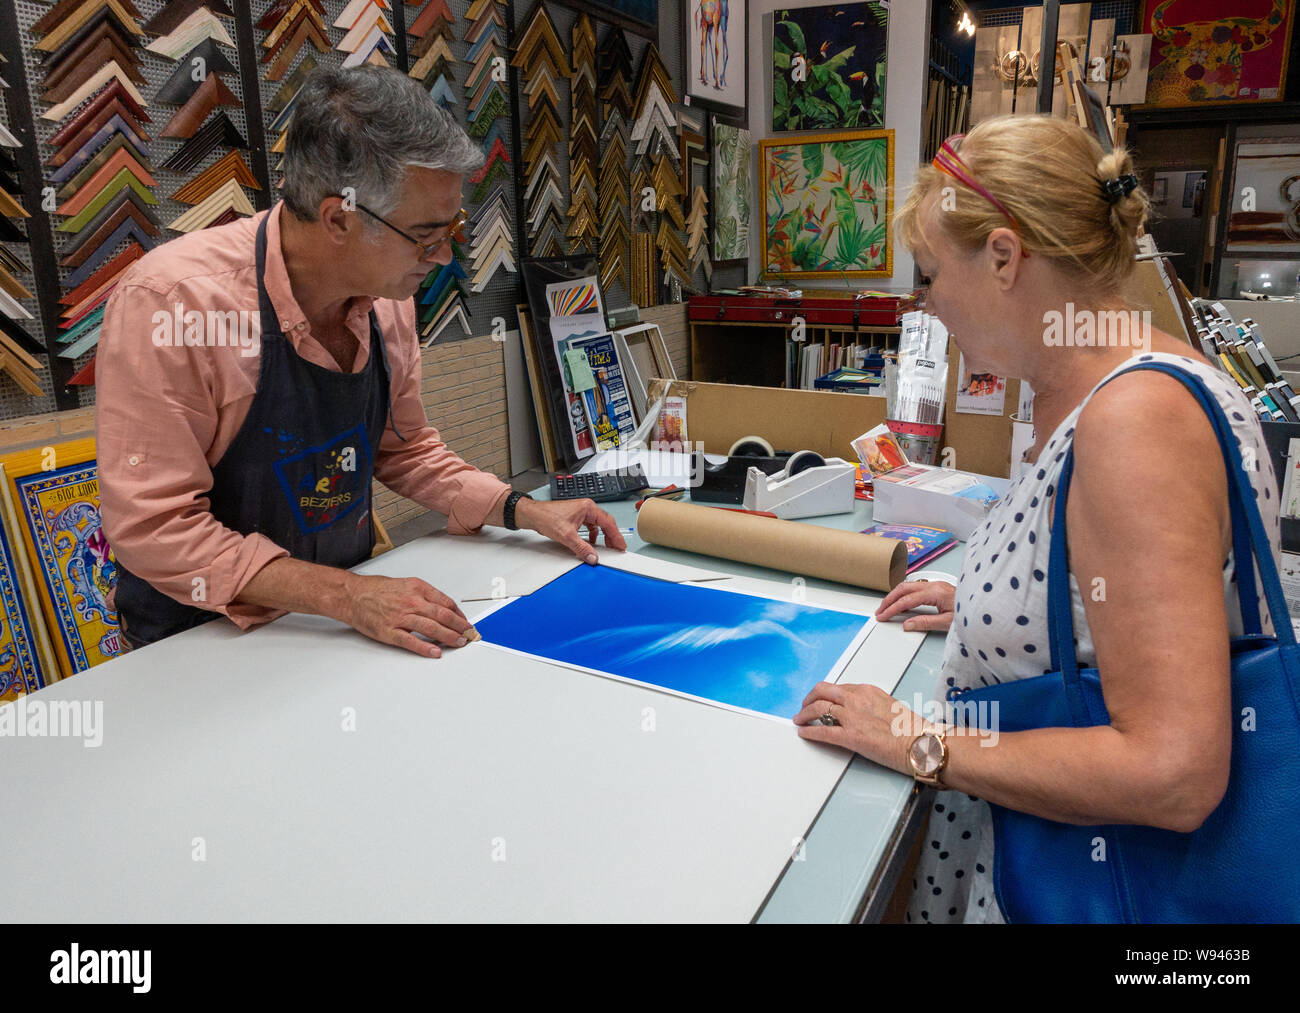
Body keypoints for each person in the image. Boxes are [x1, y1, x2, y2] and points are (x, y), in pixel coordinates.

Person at [793, 114, 1282, 922]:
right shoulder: (1135, 363)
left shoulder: (1135, 423)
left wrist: (918, 742)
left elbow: (1174, 772)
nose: (927, 303)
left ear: (1004, 256)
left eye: (929, 273)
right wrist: (998, 606)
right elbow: (1126, 597)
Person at [98, 66, 625, 657]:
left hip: (329, 630)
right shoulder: (175, 306)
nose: (444, 255)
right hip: (199, 644)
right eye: (426, 235)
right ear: (339, 219)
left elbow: (404, 448)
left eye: (450, 228)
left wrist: (523, 510)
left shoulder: (385, 301)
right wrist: (349, 596)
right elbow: (154, 528)